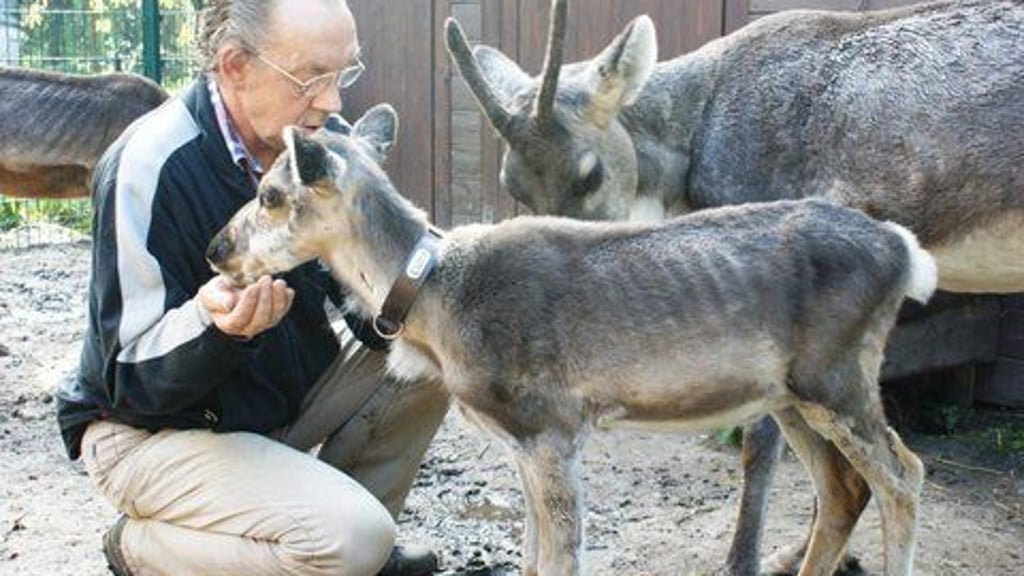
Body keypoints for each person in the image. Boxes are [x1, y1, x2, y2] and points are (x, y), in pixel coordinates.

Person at [55, 0, 450, 574]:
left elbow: (377, 313)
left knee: (432, 338)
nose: (334, 101)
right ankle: (141, 549)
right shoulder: (147, 164)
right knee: (348, 540)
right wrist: (214, 328)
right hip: (150, 434)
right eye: (312, 77)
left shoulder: (319, 142)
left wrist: (428, 277)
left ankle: (354, 547)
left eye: (346, 74)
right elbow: (127, 383)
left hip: (269, 408)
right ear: (234, 64)